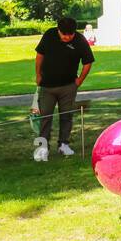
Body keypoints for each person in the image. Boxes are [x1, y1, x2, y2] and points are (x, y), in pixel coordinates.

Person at [33, 16, 95, 161]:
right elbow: (39, 55)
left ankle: (64, 144)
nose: (67, 37)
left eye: (70, 34)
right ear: (58, 30)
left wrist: (79, 81)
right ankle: (42, 148)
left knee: (67, 116)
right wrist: (38, 75)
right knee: (45, 117)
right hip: (47, 86)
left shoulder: (79, 40)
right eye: (64, 34)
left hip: (68, 86)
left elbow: (88, 62)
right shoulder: (49, 35)